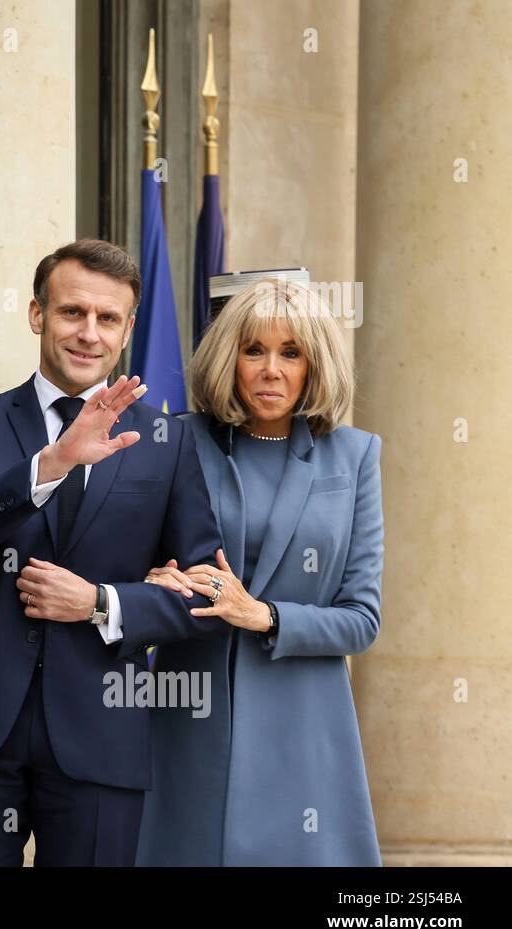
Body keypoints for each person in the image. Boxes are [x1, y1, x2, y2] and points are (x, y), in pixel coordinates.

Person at [0, 238, 229, 866]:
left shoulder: (165, 441)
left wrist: (102, 602)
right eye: (72, 313)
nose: (88, 333)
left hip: (103, 735)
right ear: (37, 314)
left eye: (108, 319)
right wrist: (58, 459)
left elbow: (206, 594)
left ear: (126, 332)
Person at [136, 277, 383, 865]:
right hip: (190, 711)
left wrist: (263, 615)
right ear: (230, 358)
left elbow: (362, 619)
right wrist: (148, 580)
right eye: (254, 350)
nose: (271, 369)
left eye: (290, 352)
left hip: (306, 718)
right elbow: (135, 558)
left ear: (313, 364)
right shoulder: (178, 440)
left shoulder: (354, 455)